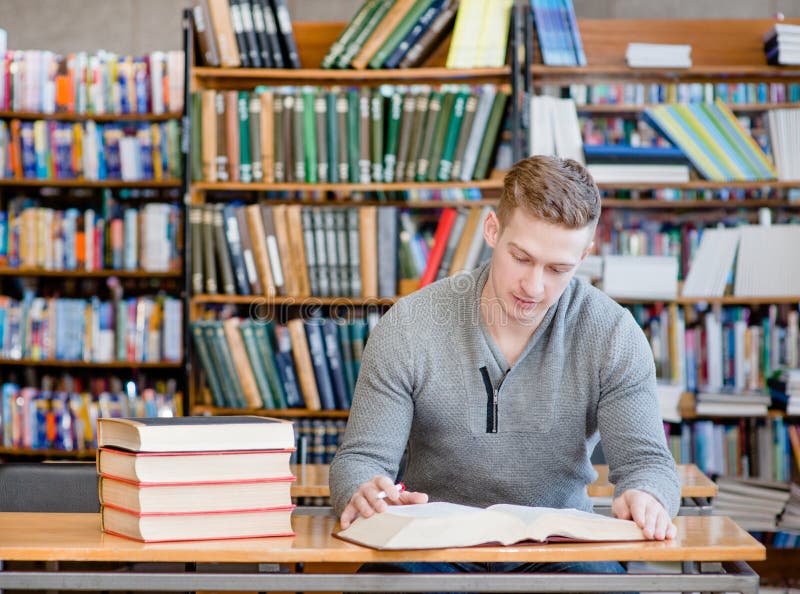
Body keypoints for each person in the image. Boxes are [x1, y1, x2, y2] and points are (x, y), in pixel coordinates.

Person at [329, 155, 680, 577]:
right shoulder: (409, 325)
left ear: (585, 255)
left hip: (561, 549)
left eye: (557, 269)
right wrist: (364, 491)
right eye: (521, 258)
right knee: (383, 586)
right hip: (434, 546)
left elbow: (648, 464)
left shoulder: (612, 334)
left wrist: (648, 495)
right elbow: (360, 459)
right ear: (492, 230)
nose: (533, 286)